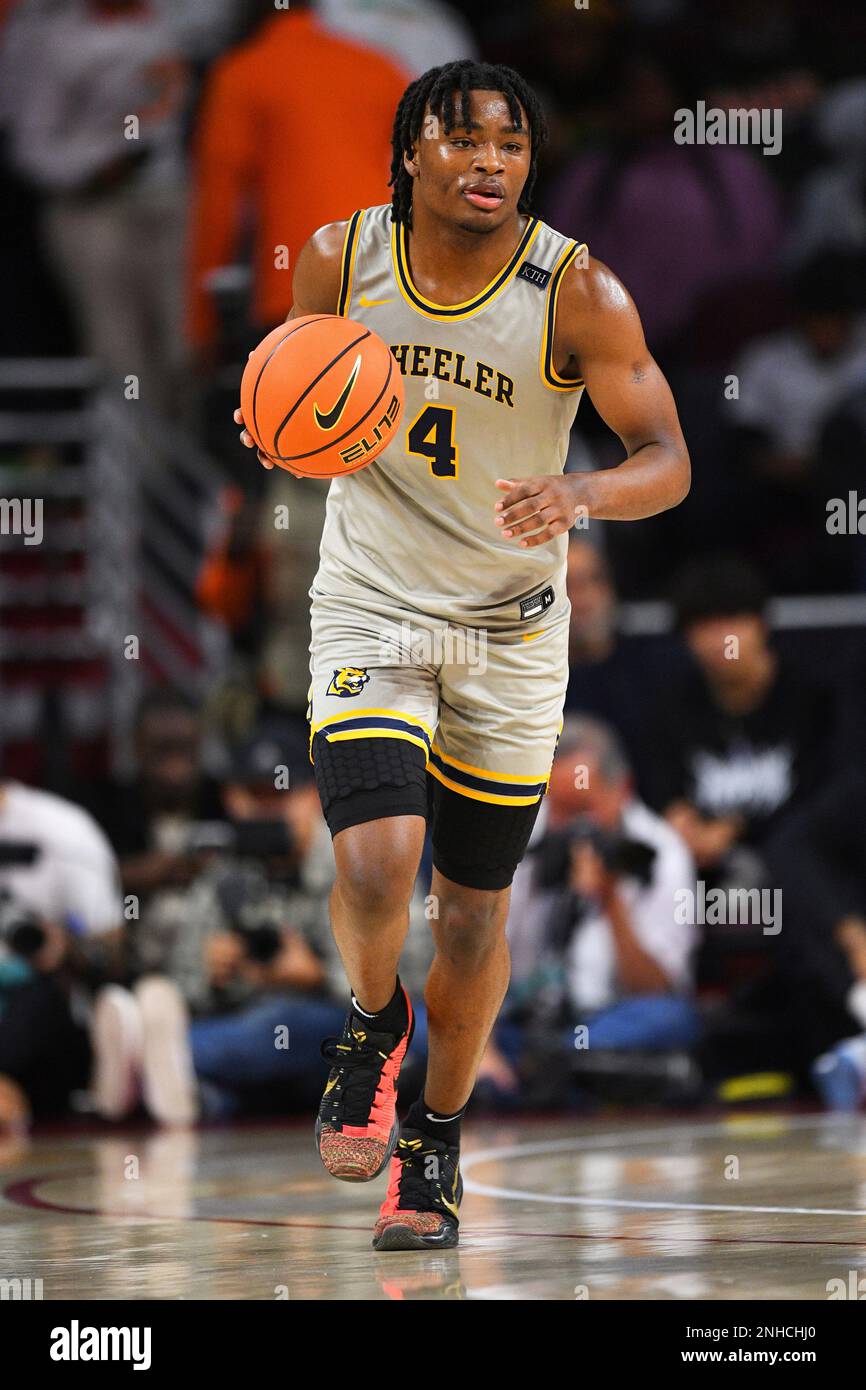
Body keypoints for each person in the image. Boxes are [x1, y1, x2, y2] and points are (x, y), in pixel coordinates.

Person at [235, 59, 689, 1251]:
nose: (490, 160)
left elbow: (667, 457)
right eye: (463, 139)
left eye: (510, 143)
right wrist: (275, 426)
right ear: (410, 154)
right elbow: (295, 383)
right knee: (380, 869)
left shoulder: (575, 289)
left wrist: (582, 490)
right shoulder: (342, 258)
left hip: (508, 632)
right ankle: (371, 1023)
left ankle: (431, 1145)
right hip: (376, 603)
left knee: (476, 917)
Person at [483, 715, 699, 1104]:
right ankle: (548, 1071)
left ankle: (549, 1070)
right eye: (559, 809)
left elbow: (655, 990)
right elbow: (479, 959)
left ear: (623, 789)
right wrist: (483, 1045)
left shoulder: (660, 852)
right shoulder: (524, 839)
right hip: (525, 1020)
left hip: (610, 1019)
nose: (569, 827)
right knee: (428, 1021)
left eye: (582, 807)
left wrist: (610, 900)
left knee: (671, 1017)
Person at [0, 774, 123, 1127]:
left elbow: (112, 955)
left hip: (36, 1021)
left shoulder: (63, 830)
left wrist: (67, 947)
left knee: (40, 997)